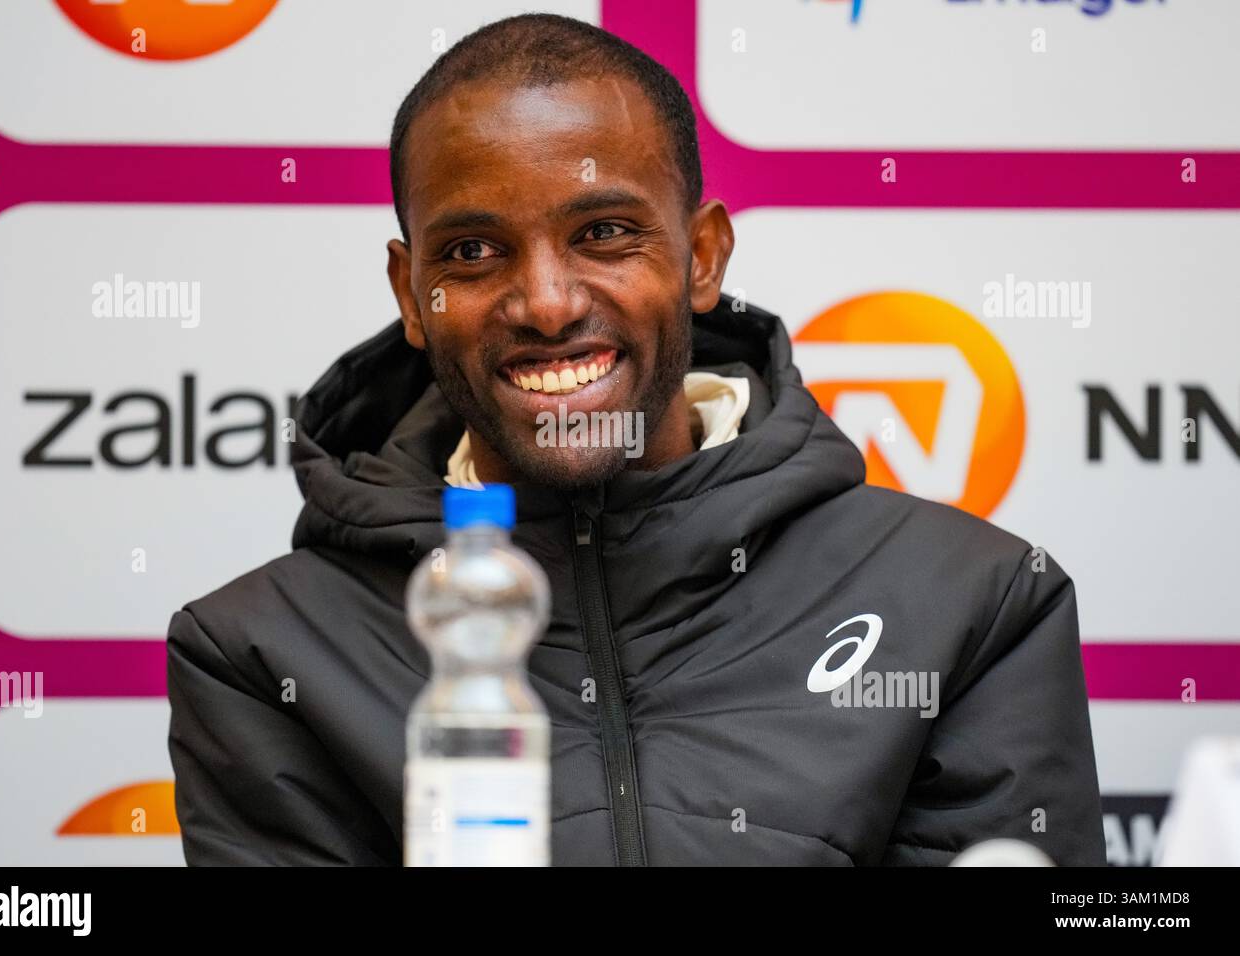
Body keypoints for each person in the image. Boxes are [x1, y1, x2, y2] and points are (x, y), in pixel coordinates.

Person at [166, 13, 1105, 866]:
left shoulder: (969, 603)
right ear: (412, 293)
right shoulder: (263, 652)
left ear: (701, 257)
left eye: (604, 232)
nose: (546, 304)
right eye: (473, 252)